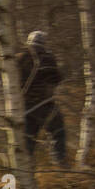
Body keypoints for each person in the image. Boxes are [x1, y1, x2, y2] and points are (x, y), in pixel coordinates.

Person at [17, 31, 68, 168]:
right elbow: (56, 78)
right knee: (58, 131)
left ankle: (26, 169)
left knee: (28, 139)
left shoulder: (19, 58)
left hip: (25, 105)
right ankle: (59, 163)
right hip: (45, 104)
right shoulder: (47, 57)